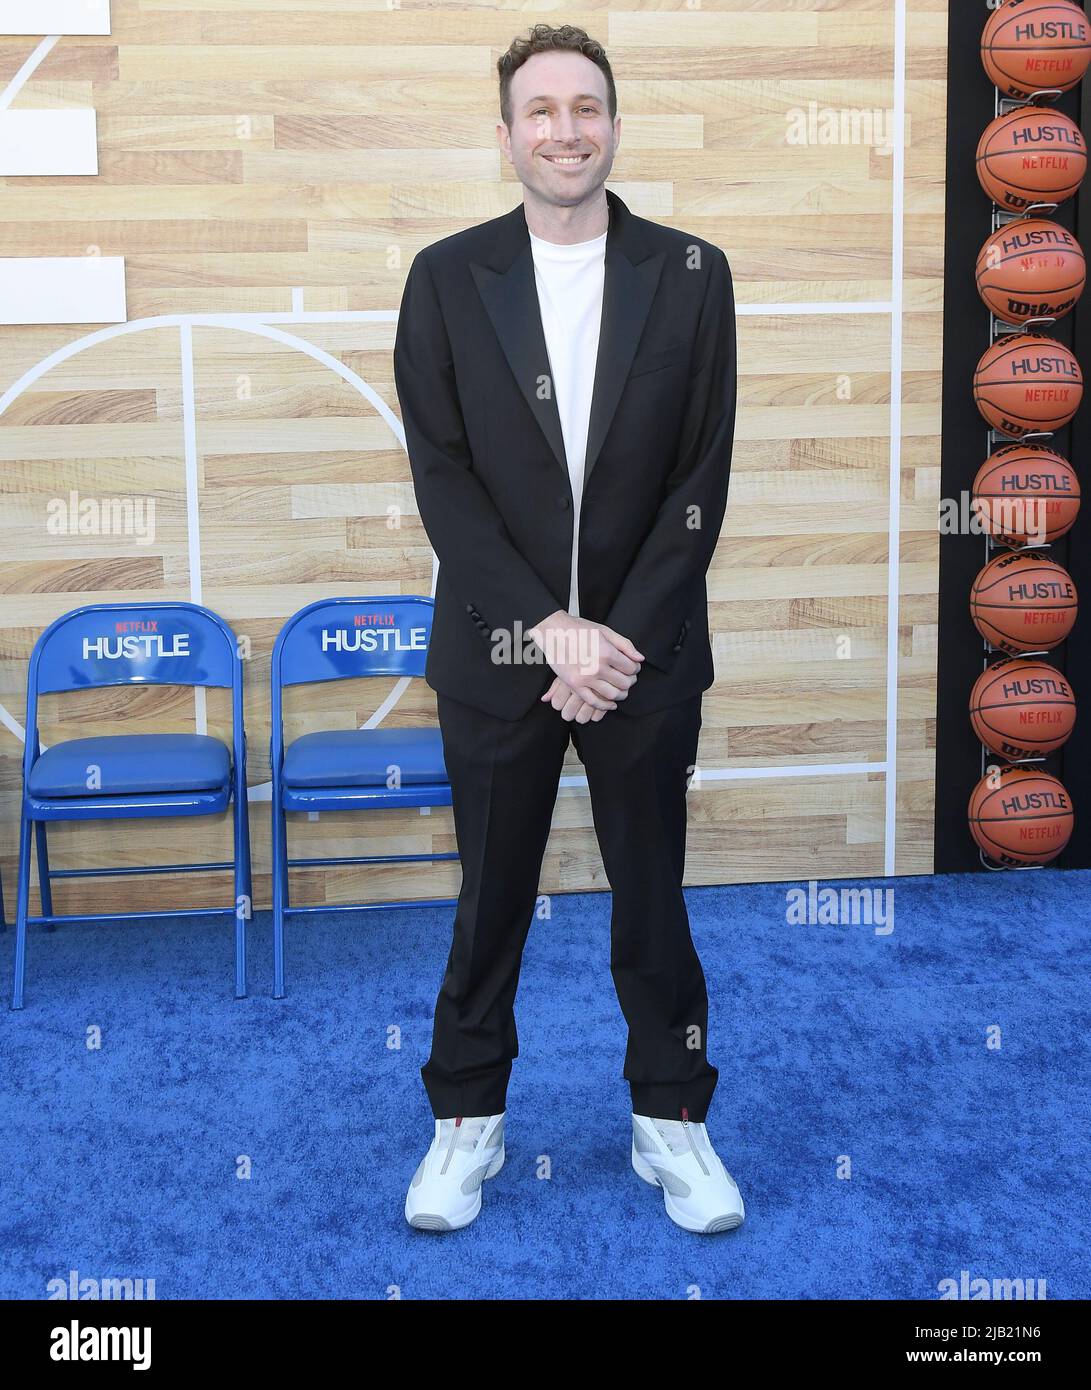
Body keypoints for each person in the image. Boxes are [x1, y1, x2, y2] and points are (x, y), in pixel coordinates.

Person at [392, 22, 743, 1234]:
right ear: (505, 138)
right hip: (499, 656)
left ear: (611, 123)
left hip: (642, 659)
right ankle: (464, 1125)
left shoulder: (693, 273)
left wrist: (611, 641)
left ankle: (673, 1124)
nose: (563, 130)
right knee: (488, 902)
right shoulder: (446, 276)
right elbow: (443, 480)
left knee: (654, 898)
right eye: (538, 111)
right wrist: (547, 627)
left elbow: (700, 477)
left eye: (584, 107)